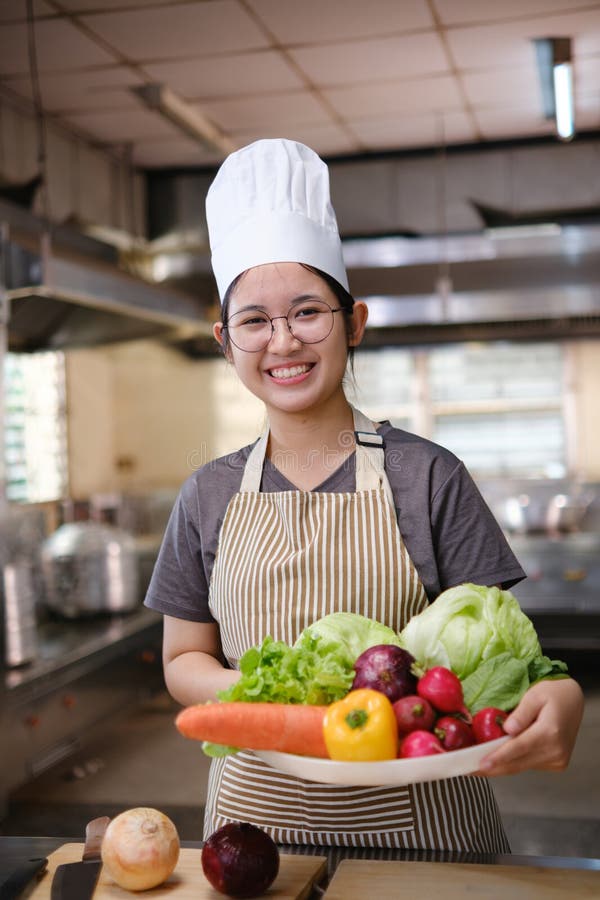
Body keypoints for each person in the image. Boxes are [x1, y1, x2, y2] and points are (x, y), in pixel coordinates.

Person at [145, 138, 584, 852]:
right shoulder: (209, 493)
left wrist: (561, 696)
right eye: (255, 320)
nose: (283, 341)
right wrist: (280, 704)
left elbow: (510, 647)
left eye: (308, 312)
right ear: (227, 341)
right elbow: (181, 660)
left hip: (430, 829)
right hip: (255, 834)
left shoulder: (428, 476)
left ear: (354, 323)